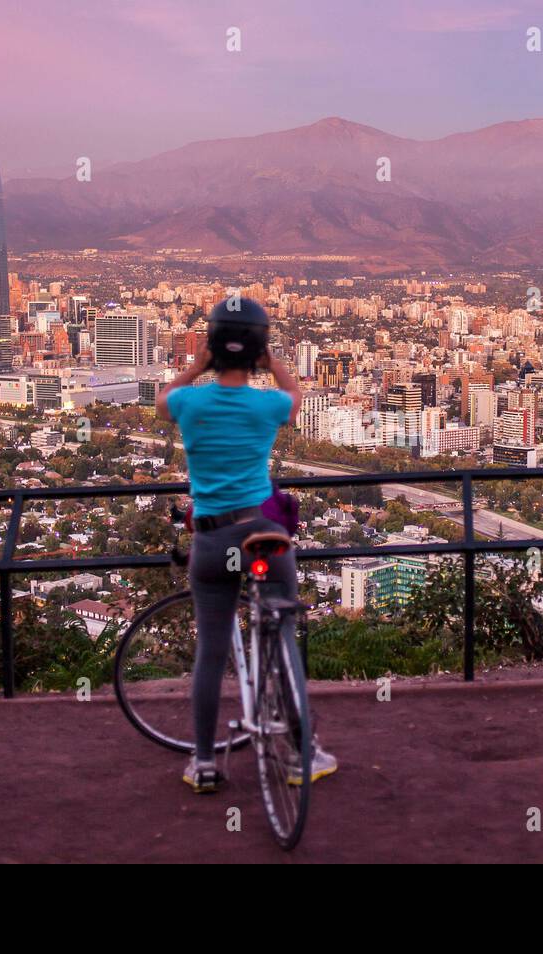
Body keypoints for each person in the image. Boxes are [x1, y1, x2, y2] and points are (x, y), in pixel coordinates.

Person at [158, 296, 338, 792]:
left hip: (213, 541)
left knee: (211, 654)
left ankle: (204, 764)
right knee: (283, 638)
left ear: (214, 347)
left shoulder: (189, 403)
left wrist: (196, 365)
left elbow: (161, 400)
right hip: (263, 532)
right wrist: (273, 363)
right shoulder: (268, 404)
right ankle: (303, 756)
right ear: (257, 349)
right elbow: (295, 398)